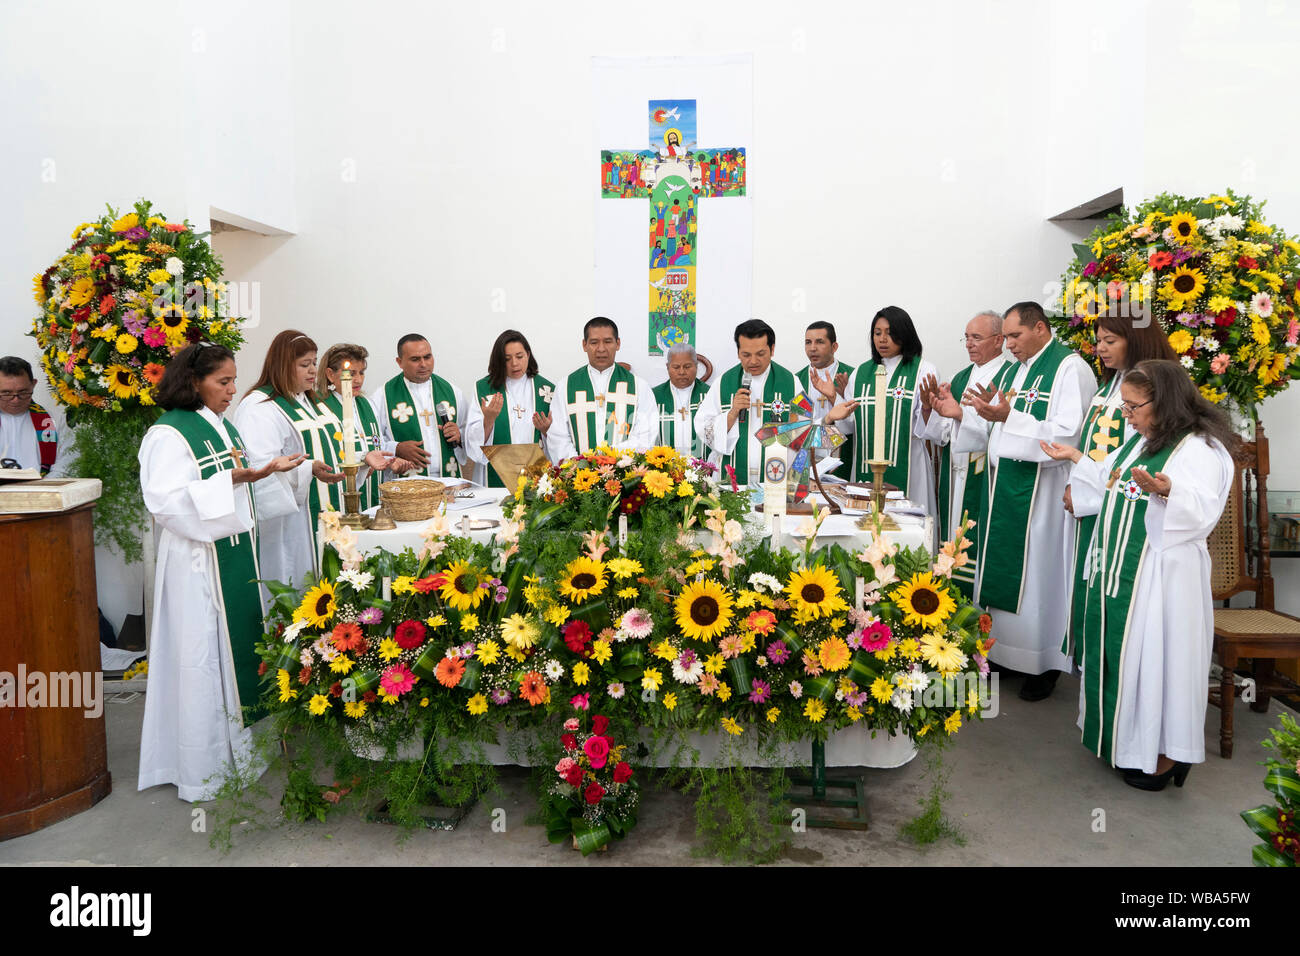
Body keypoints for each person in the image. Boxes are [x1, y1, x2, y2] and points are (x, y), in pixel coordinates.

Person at [1041, 359, 1236, 789]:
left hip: (1164, 575)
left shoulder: (1199, 448)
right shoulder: (1144, 439)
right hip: (1120, 573)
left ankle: (1166, 755)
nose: (1126, 415)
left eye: (1133, 407)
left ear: (1163, 401)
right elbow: (1112, 479)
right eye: (1124, 407)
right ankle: (1127, 743)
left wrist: (1171, 491)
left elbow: (1205, 509)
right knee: (1130, 660)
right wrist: (1076, 456)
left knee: (1160, 662)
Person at [138, 343, 303, 801]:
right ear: (194, 383)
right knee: (201, 657)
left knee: (233, 652)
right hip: (197, 564)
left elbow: (242, 485)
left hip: (231, 553)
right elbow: (165, 502)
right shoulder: (168, 435)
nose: (233, 390)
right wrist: (233, 480)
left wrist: (267, 473)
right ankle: (203, 765)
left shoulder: (218, 424)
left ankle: (244, 752)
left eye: (234, 380)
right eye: (223, 382)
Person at [939, 301, 1097, 701]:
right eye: (1005, 337)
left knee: (1040, 577)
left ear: (1040, 328)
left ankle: (1045, 663)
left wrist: (1009, 420)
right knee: (1007, 577)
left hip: (1043, 490)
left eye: (1014, 336)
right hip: (1004, 486)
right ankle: (1009, 655)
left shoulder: (1069, 368)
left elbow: (1067, 434)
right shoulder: (1015, 369)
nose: (1008, 345)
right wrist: (963, 415)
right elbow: (990, 425)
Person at [1061, 314, 1179, 660]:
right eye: (1099, 341)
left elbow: (1138, 458)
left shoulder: (1153, 388)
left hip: (1122, 507)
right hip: (1092, 499)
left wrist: (1082, 491)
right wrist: (1074, 485)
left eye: (1110, 341)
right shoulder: (1109, 386)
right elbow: (1090, 442)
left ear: (1136, 339)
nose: (1100, 349)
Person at [235, 331, 385, 592]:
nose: (313, 371)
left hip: (326, 512)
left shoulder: (311, 402)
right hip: (293, 521)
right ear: (282, 364)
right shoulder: (259, 407)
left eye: (314, 362)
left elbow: (335, 451)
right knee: (298, 584)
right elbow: (260, 471)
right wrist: (308, 469)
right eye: (305, 364)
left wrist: (362, 461)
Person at [916, 311, 1009, 598]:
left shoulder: (1008, 376)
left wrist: (960, 415)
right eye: (966, 337)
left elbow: (1001, 433)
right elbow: (941, 433)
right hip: (954, 476)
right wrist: (931, 410)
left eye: (976, 337)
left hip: (981, 477)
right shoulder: (961, 377)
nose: (969, 344)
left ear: (998, 340)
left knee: (974, 549)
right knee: (951, 541)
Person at [826, 307, 939, 518]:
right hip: (865, 464)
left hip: (909, 466)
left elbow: (931, 430)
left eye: (890, 332)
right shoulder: (860, 373)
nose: (883, 339)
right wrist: (835, 411)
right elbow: (850, 426)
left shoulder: (924, 371)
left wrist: (927, 408)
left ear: (905, 334)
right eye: (877, 333)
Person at [695, 318, 797, 485]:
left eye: (760, 354)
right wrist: (733, 412)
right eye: (746, 355)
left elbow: (803, 430)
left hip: (778, 479)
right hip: (731, 481)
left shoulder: (791, 383)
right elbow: (703, 428)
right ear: (738, 352)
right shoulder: (723, 383)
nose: (753, 361)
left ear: (772, 349)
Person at [316, 343, 408, 512]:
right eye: (351, 374)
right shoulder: (320, 408)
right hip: (338, 494)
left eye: (361, 372)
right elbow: (328, 453)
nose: (358, 379)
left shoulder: (367, 404)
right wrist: (365, 458)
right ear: (330, 374)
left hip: (371, 495)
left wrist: (390, 461)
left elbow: (375, 444)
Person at [371, 333, 475, 480]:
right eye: (415, 359)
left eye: (427, 357)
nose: (423, 364)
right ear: (399, 362)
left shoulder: (453, 392)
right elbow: (372, 441)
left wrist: (459, 436)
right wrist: (396, 448)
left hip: (448, 481)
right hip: (406, 486)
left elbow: (471, 434)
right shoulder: (382, 397)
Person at [550, 317, 658, 458]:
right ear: (584, 345)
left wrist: (612, 460)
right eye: (594, 342)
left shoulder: (639, 387)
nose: (601, 349)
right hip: (578, 476)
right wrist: (578, 464)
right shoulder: (565, 386)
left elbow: (646, 434)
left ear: (617, 343)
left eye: (607, 342)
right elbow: (557, 436)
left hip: (625, 474)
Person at [465, 329, 561, 486]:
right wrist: (488, 420)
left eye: (519, 356)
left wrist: (546, 431)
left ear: (528, 355)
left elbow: (560, 439)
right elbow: (473, 447)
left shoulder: (546, 391)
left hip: (535, 475)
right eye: (507, 359)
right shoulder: (483, 389)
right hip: (495, 476)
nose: (514, 363)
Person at [796, 321, 854, 479]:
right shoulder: (797, 381)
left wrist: (835, 397)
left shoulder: (851, 376)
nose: (812, 348)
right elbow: (797, 429)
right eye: (808, 342)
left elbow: (855, 426)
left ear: (834, 347)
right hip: (807, 460)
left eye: (820, 342)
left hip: (843, 459)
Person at [0, 355, 74, 477]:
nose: (15, 400)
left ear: (33, 385)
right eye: (6, 393)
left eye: (23, 392)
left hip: (43, 491)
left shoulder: (53, 420)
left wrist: (40, 489)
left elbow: (67, 462)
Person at [652, 343, 711, 460]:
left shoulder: (710, 395)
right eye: (676, 367)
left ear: (696, 366)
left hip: (703, 469)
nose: (682, 372)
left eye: (687, 366)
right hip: (664, 471)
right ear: (667, 367)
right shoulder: (654, 396)